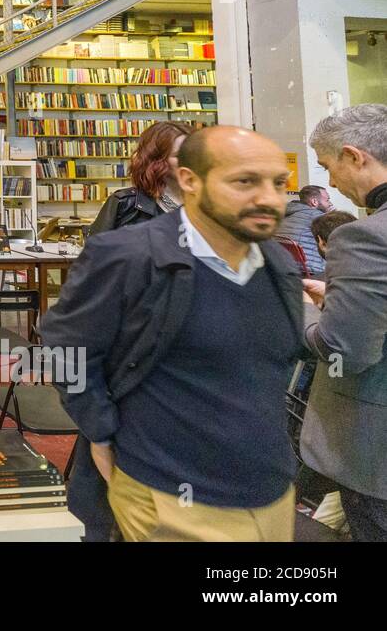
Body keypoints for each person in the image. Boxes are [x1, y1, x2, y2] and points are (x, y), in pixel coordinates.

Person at [41, 126, 304, 541]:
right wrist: (100, 429)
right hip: (167, 494)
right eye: (245, 181)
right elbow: (65, 344)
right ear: (189, 180)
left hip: (270, 492)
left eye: (279, 184)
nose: (269, 198)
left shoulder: (278, 264)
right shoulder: (128, 254)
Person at [299, 104, 387, 541]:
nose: (330, 182)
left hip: (376, 452)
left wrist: (302, 311)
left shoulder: (363, 236)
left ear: (355, 156)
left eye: (329, 167)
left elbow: (343, 352)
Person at [87, 120, 195, 236]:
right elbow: (97, 252)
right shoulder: (124, 204)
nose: (190, 160)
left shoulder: (207, 203)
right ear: (157, 160)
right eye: (179, 155)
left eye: (194, 154)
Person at [276, 184, 332, 276]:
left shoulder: (285, 213)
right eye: (327, 200)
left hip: (284, 267)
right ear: (314, 201)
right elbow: (340, 236)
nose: (330, 203)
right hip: (311, 271)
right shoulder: (316, 216)